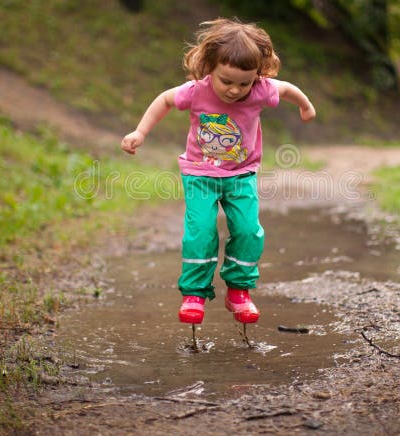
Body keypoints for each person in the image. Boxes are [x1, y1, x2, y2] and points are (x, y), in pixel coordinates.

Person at [121, 18, 316, 325]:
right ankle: (195, 294)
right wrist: (140, 132)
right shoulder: (195, 91)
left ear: (256, 77)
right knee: (200, 231)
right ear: (210, 66)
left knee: (248, 231)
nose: (235, 90)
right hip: (200, 175)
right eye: (227, 81)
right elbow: (164, 100)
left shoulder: (261, 90)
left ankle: (239, 291)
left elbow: (288, 89)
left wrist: (306, 106)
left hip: (241, 176)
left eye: (244, 83)